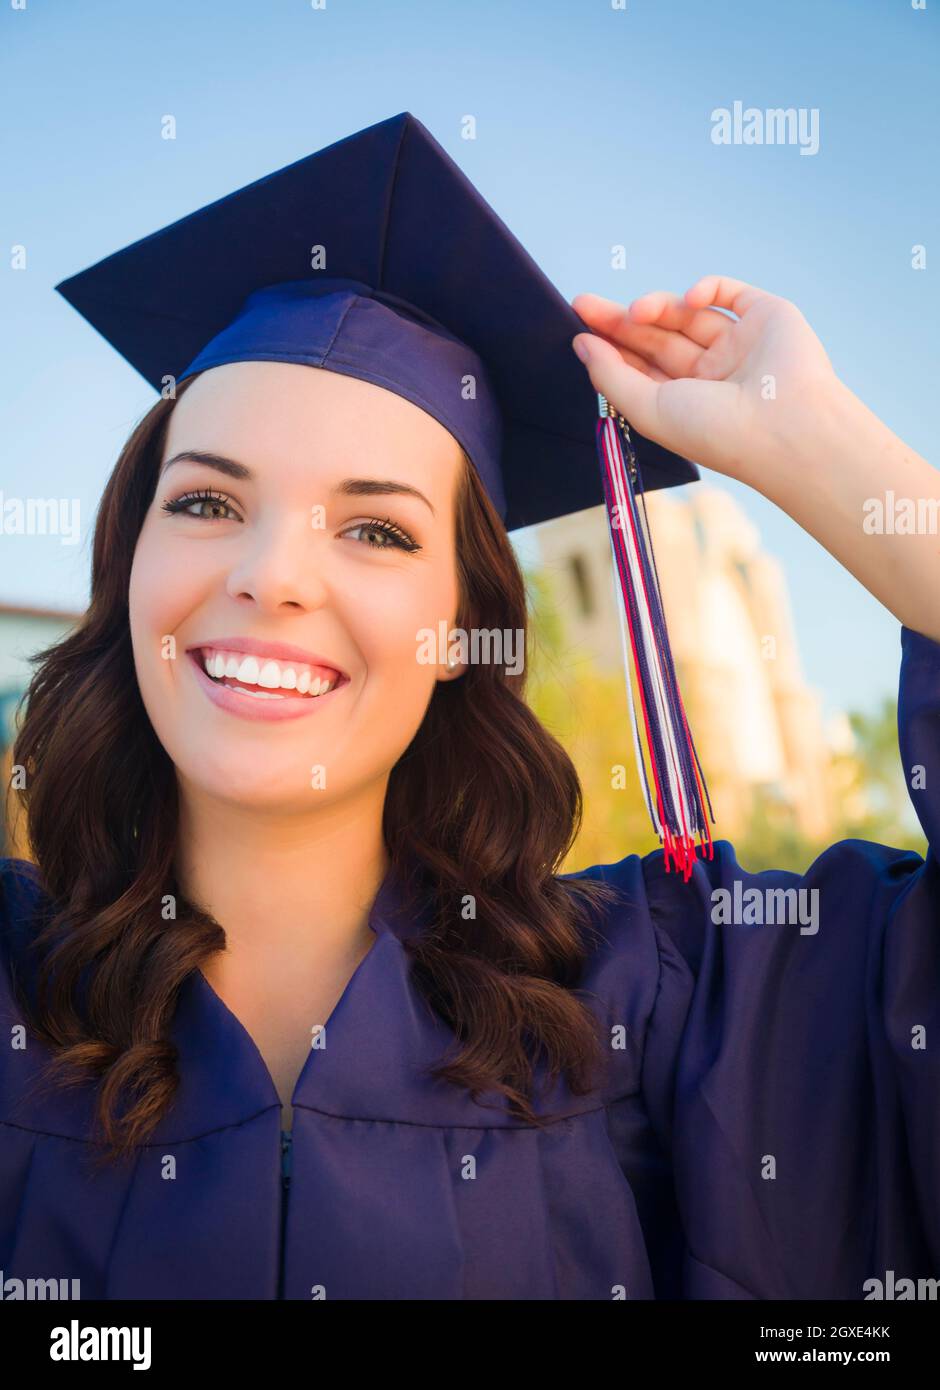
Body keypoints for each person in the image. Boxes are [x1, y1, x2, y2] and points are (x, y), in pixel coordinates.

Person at [0, 112, 937, 1301]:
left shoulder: (665, 1003)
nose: (271, 573)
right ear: (130, 560)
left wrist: (818, 443)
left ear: (461, 627)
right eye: (205, 504)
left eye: (377, 529)